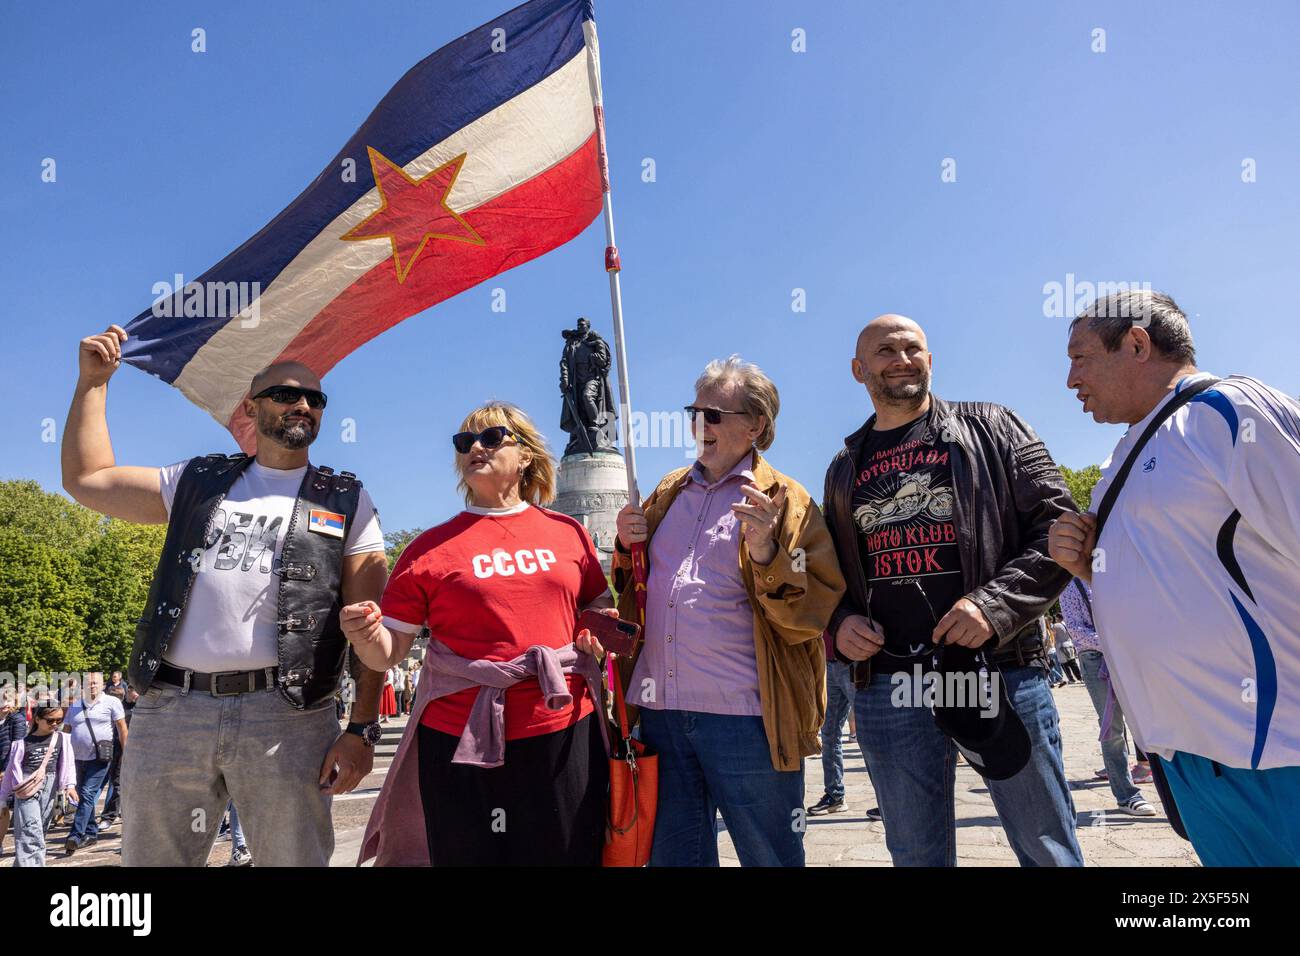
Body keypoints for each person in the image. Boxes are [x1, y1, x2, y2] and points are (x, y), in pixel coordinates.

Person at [61, 324, 389, 866]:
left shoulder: (348, 499)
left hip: (289, 716)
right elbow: (87, 479)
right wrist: (92, 385)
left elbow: (369, 632)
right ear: (250, 408)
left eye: (314, 398)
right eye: (284, 394)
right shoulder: (195, 480)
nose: (301, 404)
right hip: (171, 709)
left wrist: (360, 729)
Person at [1051, 289, 1300, 865]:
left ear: (1136, 343)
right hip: (1188, 756)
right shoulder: (1122, 456)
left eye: (1080, 357)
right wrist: (1087, 567)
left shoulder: (1228, 410)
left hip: (1270, 750)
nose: (1069, 379)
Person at [824, 314, 1084, 867]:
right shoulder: (844, 468)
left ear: (931, 359)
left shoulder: (994, 427)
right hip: (890, 687)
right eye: (885, 350)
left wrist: (993, 606)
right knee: (915, 853)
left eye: (913, 348)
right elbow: (830, 576)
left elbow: (1060, 529)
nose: (901, 360)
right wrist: (840, 622)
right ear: (858, 369)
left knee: (1047, 847)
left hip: (1001, 670)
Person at [349, 402, 616, 866]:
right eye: (463, 442)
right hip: (457, 740)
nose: (474, 447)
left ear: (526, 455)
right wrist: (364, 635)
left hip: (563, 725)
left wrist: (594, 632)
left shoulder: (568, 531)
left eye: (491, 438)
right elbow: (387, 654)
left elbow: (597, 603)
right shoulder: (427, 548)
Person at [613, 356, 847, 867]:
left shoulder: (788, 499)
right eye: (693, 412)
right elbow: (633, 589)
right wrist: (623, 543)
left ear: (756, 424)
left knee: (771, 857)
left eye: (714, 414)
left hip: (749, 721)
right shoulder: (667, 491)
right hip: (661, 715)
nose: (700, 425)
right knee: (674, 859)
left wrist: (767, 554)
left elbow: (812, 610)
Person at [1059, 577, 1154, 816]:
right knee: (1112, 728)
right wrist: (1115, 643)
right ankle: (1126, 794)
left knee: (1149, 722)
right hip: (1097, 658)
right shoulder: (1071, 583)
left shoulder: (1117, 570)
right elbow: (1076, 630)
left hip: (1131, 654)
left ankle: (1171, 788)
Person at [807, 632, 882, 820]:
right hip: (826, 660)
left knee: (868, 735)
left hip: (853, 661)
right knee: (829, 733)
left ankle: (887, 800)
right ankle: (835, 795)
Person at [0, 706, 77, 866]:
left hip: (50, 788)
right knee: (31, 832)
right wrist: (2, 798)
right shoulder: (22, 743)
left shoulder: (62, 739)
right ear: (37, 719)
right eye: (50, 720)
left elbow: (68, 764)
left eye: (59, 720)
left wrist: (70, 785)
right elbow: (10, 772)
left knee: (39, 831)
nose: (55, 724)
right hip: (27, 789)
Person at [63, 672, 128, 855]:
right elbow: (67, 731)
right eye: (88, 683)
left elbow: (122, 729)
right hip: (76, 758)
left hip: (100, 758)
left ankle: (75, 835)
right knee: (86, 796)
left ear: (102, 684)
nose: (92, 685)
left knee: (86, 793)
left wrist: (126, 752)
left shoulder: (111, 702)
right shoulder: (75, 705)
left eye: (95, 683)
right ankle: (90, 833)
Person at [0, 688, 30, 853]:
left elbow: (16, 748)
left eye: (8, 700)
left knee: (2, 806)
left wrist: (6, 770)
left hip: (7, 769)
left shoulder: (16, 720)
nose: (4, 704)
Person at [1052, 616, 1082, 684]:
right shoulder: (1066, 624)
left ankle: (1071, 679)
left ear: (1057, 618)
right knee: (1073, 662)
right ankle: (1079, 677)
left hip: (1061, 646)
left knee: (1064, 664)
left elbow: (1053, 636)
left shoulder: (1055, 625)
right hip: (1069, 644)